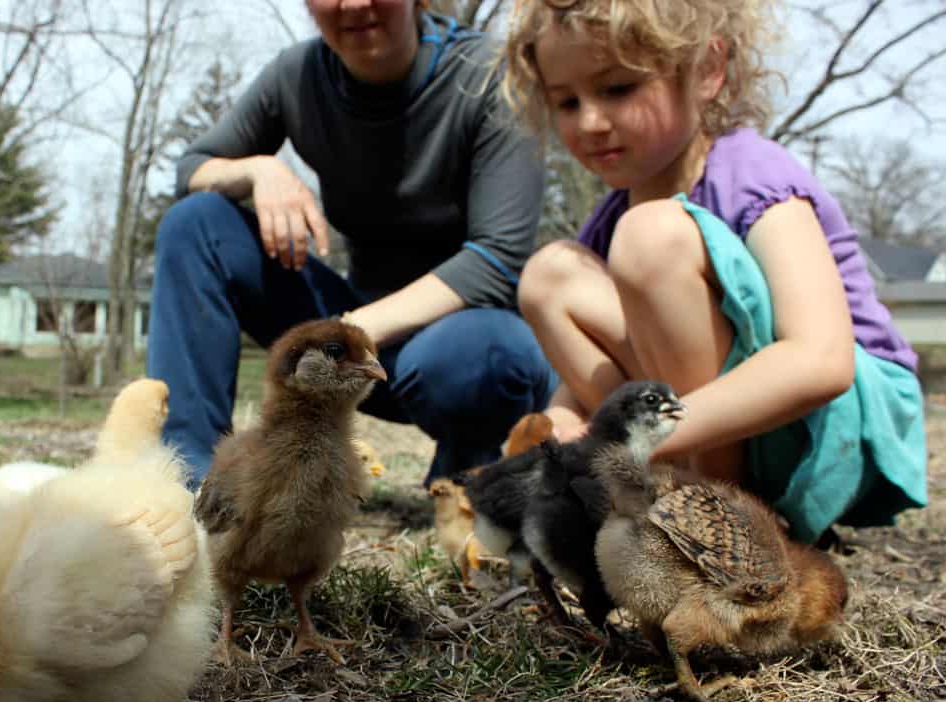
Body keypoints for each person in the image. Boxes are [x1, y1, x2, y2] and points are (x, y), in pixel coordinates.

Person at [501, 0, 926, 543]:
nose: (589, 122)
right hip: (703, 428)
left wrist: (639, 437)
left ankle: (724, 512)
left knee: (650, 236)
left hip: (830, 421)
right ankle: (686, 496)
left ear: (706, 70)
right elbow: (592, 360)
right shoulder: (611, 220)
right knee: (551, 272)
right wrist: (564, 423)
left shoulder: (751, 172)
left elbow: (821, 362)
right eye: (566, 101)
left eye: (617, 89)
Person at [148, 0, 559, 486]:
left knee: (489, 351)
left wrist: (342, 337)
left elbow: (498, 258)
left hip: (458, 349)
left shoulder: (490, 75)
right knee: (195, 223)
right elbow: (191, 169)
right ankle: (189, 481)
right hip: (357, 332)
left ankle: (469, 462)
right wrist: (258, 169)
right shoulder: (296, 76)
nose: (354, 4)